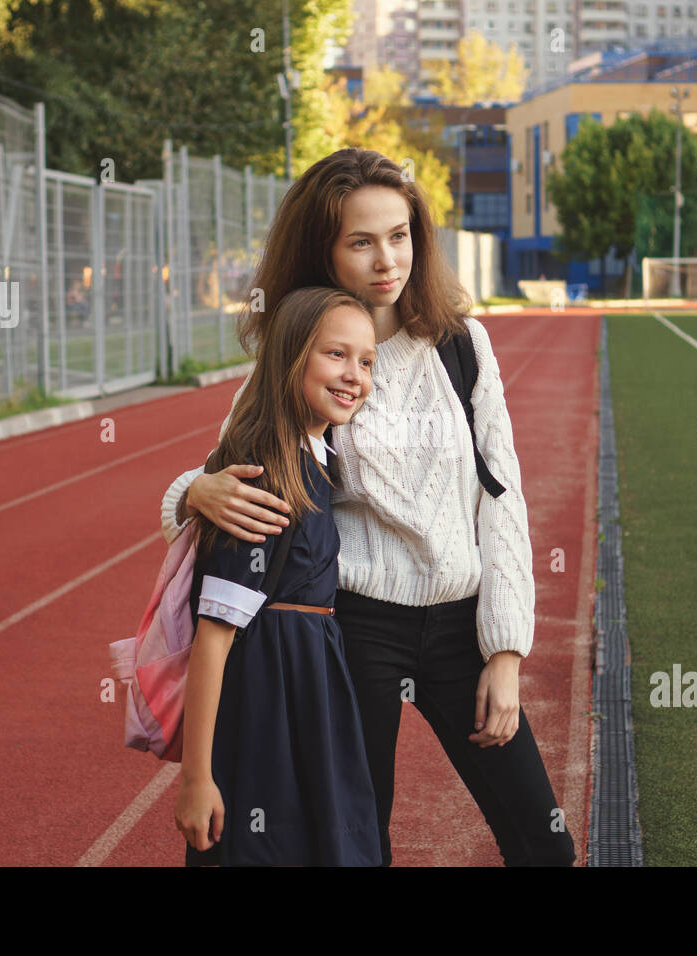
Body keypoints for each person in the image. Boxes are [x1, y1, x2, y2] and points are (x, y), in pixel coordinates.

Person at [161, 148, 575, 867]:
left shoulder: (461, 347)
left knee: (543, 843)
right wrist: (192, 492)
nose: (388, 259)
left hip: (461, 626)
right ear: (324, 249)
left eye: (400, 234)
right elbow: (233, 462)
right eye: (361, 241)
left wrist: (506, 655)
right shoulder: (304, 352)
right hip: (356, 633)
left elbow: (502, 502)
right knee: (356, 848)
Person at [175, 285, 382, 867]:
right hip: (270, 707)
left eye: (366, 361)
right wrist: (197, 778)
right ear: (292, 357)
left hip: (312, 698)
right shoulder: (267, 475)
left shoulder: (319, 458)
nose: (354, 375)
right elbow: (212, 640)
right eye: (335, 355)